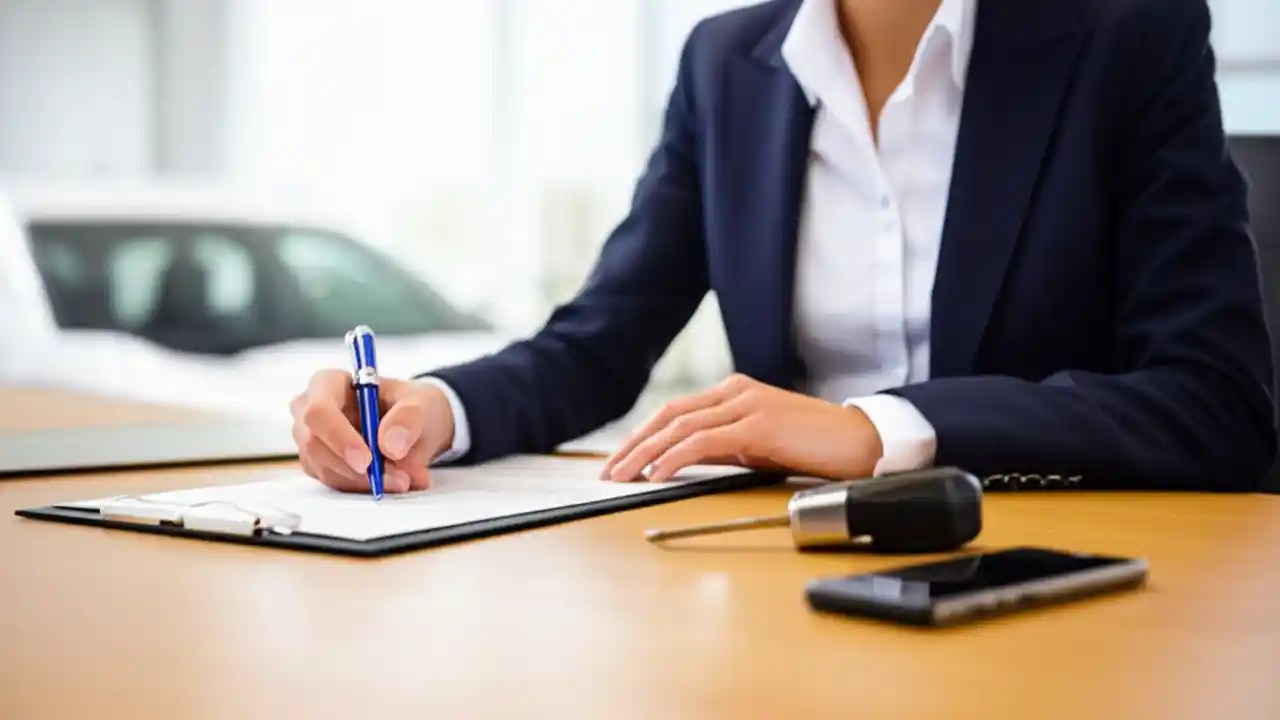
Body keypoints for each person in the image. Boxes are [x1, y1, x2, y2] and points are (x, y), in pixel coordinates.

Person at [291, 0, 1276, 494]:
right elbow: (595, 346)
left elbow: (1214, 403)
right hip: (787, 570)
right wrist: (428, 411)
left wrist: (878, 428)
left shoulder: (1125, 33)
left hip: (1054, 578)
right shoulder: (727, 65)